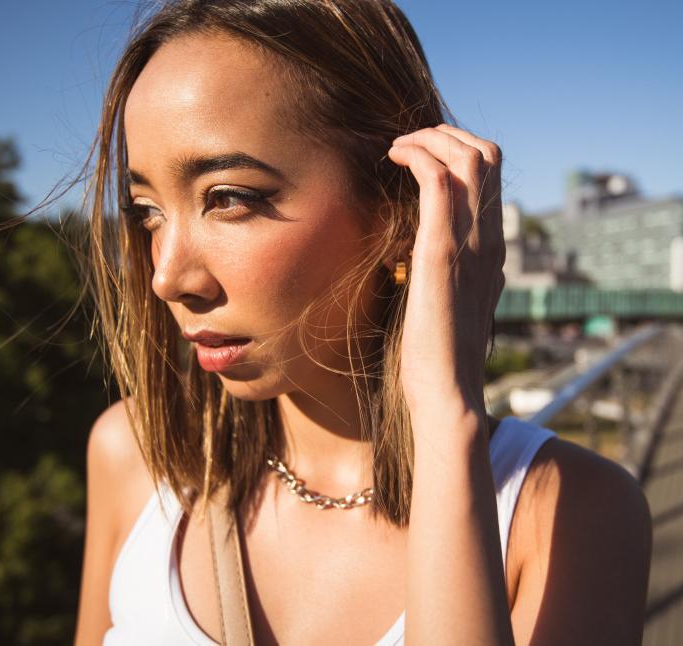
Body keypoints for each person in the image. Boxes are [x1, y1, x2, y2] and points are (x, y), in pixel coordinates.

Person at [74, 1, 652, 644]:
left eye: (229, 198)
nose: (167, 276)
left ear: (398, 211)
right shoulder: (137, 452)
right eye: (147, 210)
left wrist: (443, 413)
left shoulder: (569, 512)